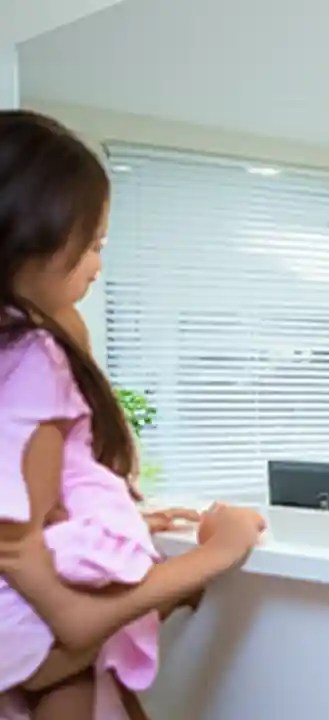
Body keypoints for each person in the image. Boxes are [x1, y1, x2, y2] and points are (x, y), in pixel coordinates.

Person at [0, 109, 266, 720]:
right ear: (35, 233)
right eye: (93, 245)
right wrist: (213, 557)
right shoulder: (31, 355)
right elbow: (70, 622)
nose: (97, 266)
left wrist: (114, 524)